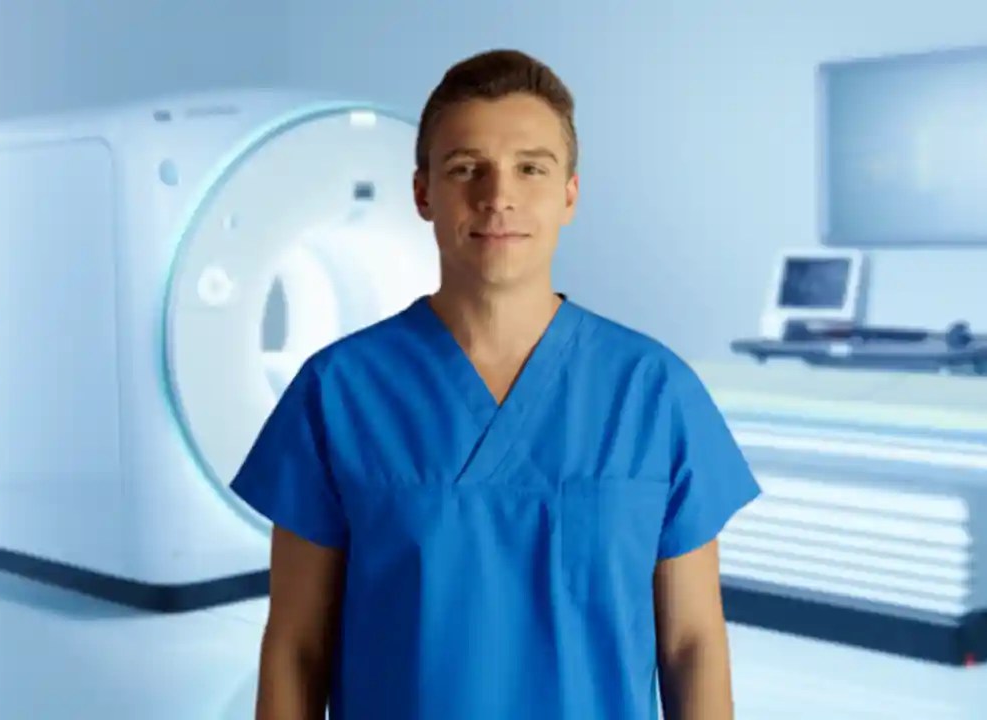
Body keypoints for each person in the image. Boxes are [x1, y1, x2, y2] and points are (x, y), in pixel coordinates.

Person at [230, 48, 761, 720]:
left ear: (570, 193)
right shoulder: (337, 393)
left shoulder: (653, 393)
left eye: (530, 168)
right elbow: (296, 647)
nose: (497, 196)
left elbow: (692, 644)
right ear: (424, 193)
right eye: (465, 169)